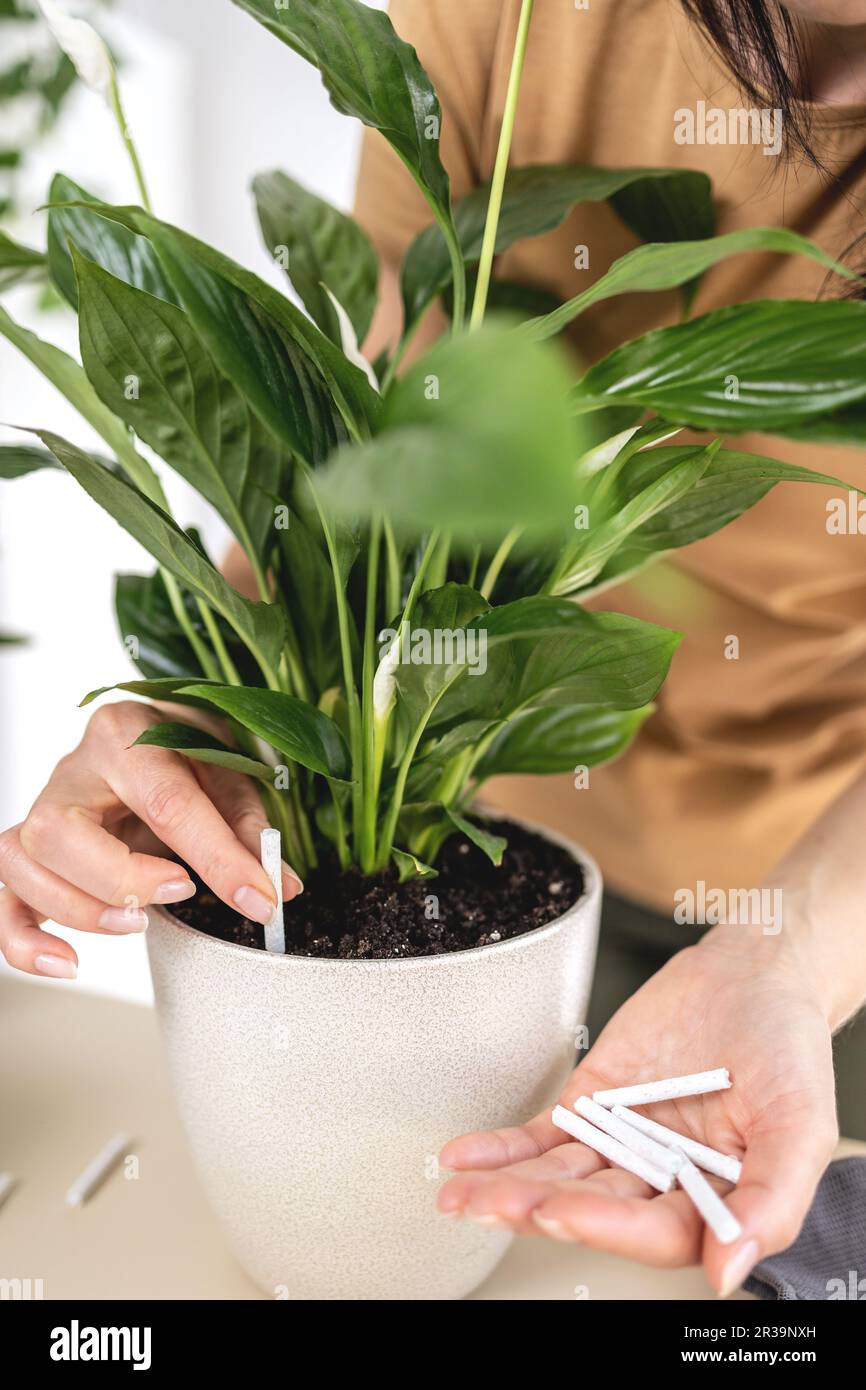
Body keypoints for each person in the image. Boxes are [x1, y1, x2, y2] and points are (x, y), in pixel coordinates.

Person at [0, 0, 863, 1297]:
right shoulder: (514, 19)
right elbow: (380, 441)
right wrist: (211, 719)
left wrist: (785, 965)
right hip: (509, 853)